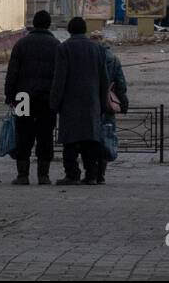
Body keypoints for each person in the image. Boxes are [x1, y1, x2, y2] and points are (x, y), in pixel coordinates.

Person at [50, 17, 128, 185]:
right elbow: (104, 79)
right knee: (90, 139)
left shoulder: (64, 48)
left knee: (70, 141)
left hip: (70, 103)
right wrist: (101, 102)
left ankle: (72, 174)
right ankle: (91, 175)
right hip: (92, 102)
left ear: (69, 30)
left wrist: (55, 102)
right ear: (85, 30)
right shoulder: (98, 49)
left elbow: (59, 79)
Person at [3, 10, 59, 185]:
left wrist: (9, 95)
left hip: (22, 97)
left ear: (33, 24)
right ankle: (44, 176)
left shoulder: (21, 44)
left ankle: (23, 175)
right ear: (49, 24)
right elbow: (60, 75)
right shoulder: (57, 45)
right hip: (47, 98)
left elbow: (12, 73)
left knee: (23, 133)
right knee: (45, 134)